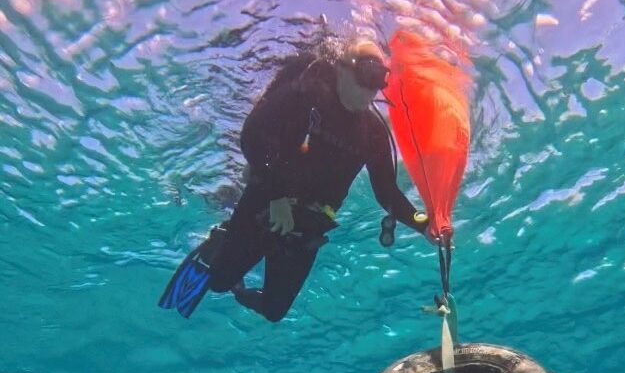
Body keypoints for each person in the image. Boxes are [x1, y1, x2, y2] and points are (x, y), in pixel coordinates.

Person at [159, 38, 430, 320]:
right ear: (341, 67)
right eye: (364, 76)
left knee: (274, 311)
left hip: (308, 226)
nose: (369, 92)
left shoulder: (373, 132)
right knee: (218, 283)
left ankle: (237, 281)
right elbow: (252, 136)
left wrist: (423, 224)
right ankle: (220, 240)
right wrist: (276, 197)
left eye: (378, 83)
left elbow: (386, 192)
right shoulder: (306, 95)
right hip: (267, 201)